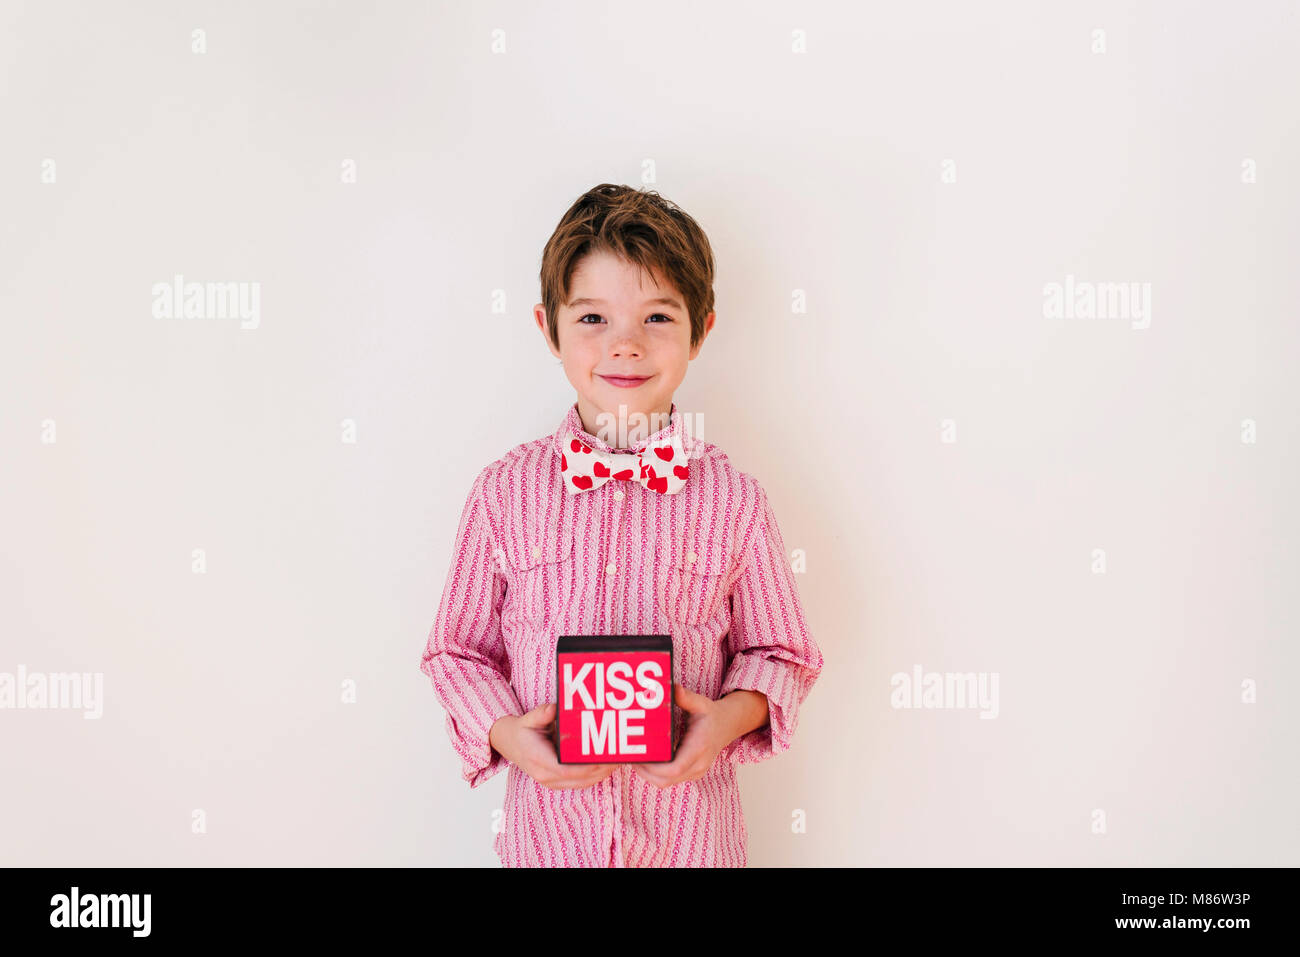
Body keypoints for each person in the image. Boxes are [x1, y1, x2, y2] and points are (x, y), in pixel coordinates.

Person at [419, 183, 823, 866]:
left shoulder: (736, 499)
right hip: (549, 842)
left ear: (702, 329)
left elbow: (781, 652)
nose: (626, 345)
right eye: (594, 319)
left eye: (657, 317)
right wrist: (506, 732)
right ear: (548, 327)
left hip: (690, 841)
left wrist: (727, 718)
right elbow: (455, 652)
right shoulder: (502, 493)